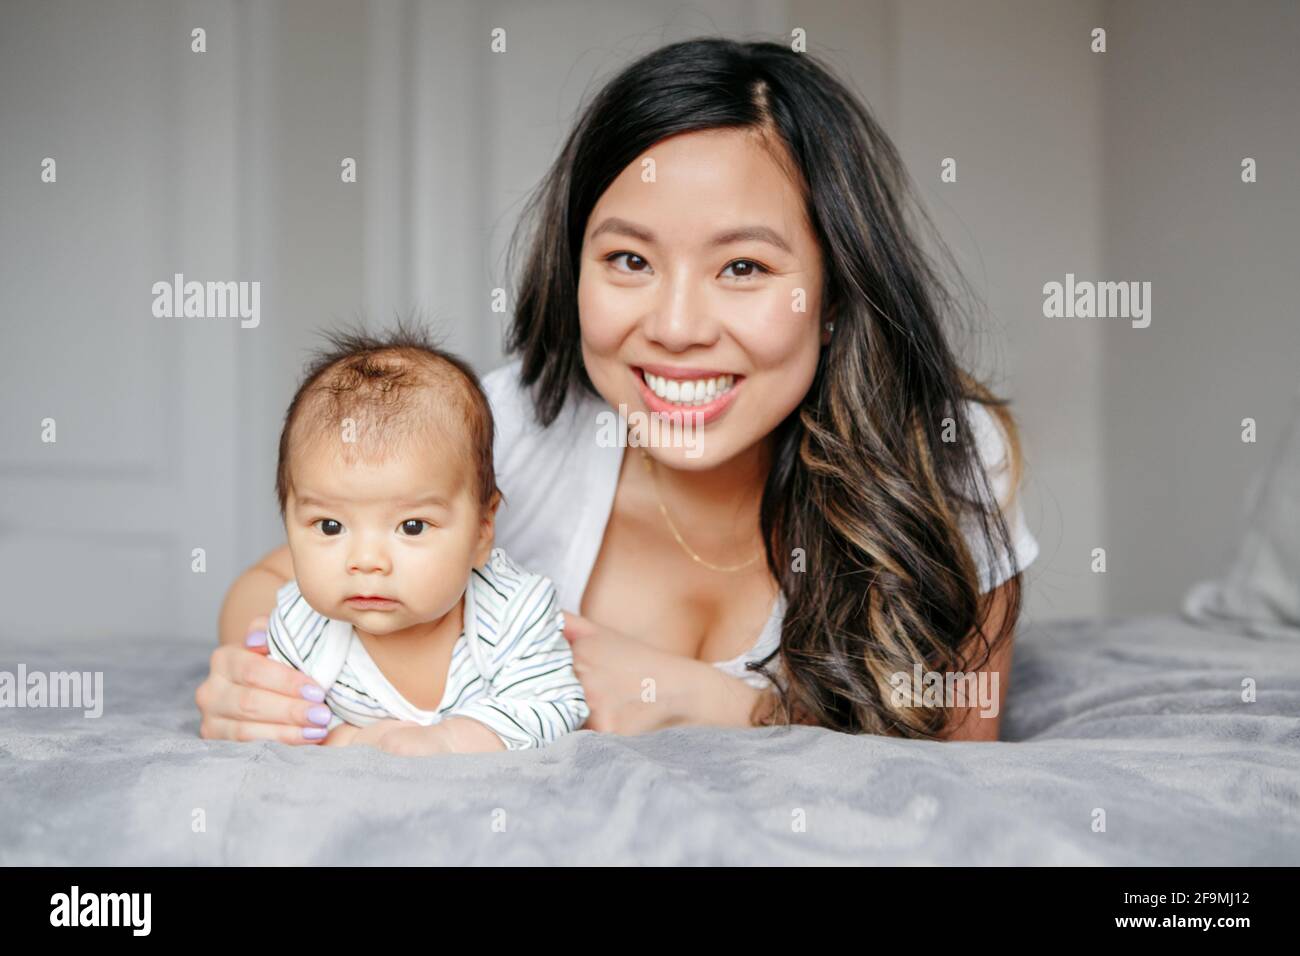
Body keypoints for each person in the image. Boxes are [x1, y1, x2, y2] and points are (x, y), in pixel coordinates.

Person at [196, 37, 1039, 746]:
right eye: (629, 261)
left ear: (834, 295)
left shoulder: (944, 455)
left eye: (742, 267)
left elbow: (961, 755)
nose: (675, 326)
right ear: (574, 269)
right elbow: (273, 583)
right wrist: (261, 680)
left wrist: (729, 704)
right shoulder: (515, 428)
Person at [260, 328, 587, 754]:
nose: (366, 561)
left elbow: (555, 708)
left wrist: (450, 741)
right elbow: (278, 724)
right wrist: (349, 739)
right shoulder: (301, 627)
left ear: (482, 530)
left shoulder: (513, 613)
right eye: (330, 526)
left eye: (412, 526)